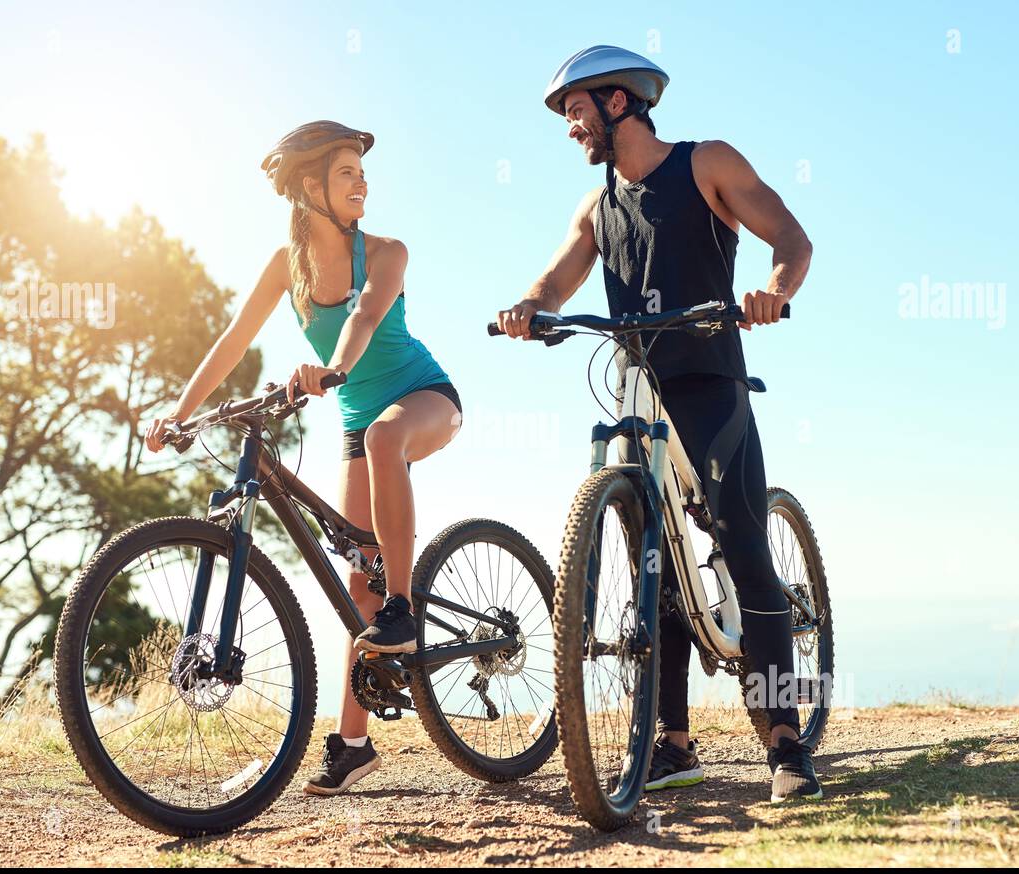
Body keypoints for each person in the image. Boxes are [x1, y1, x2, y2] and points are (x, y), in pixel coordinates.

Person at [498, 47, 820, 802]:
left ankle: (783, 740)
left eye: (576, 109)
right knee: (655, 550)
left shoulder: (705, 162)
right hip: (639, 387)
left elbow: (792, 239)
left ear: (619, 103)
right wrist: (528, 306)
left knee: (741, 543)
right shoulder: (597, 207)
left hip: (711, 383)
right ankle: (673, 741)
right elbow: (556, 277)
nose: (570, 126)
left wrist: (774, 289)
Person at [145, 121, 462, 797]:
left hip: (423, 397)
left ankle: (405, 606)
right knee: (356, 581)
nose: (362, 183)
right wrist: (178, 411)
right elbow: (233, 340)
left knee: (383, 444)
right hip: (356, 424)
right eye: (347, 172)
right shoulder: (284, 268)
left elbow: (365, 316)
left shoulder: (385, 251)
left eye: (361, 172)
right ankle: (353, 744)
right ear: (309, 188)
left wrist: (332, 366)